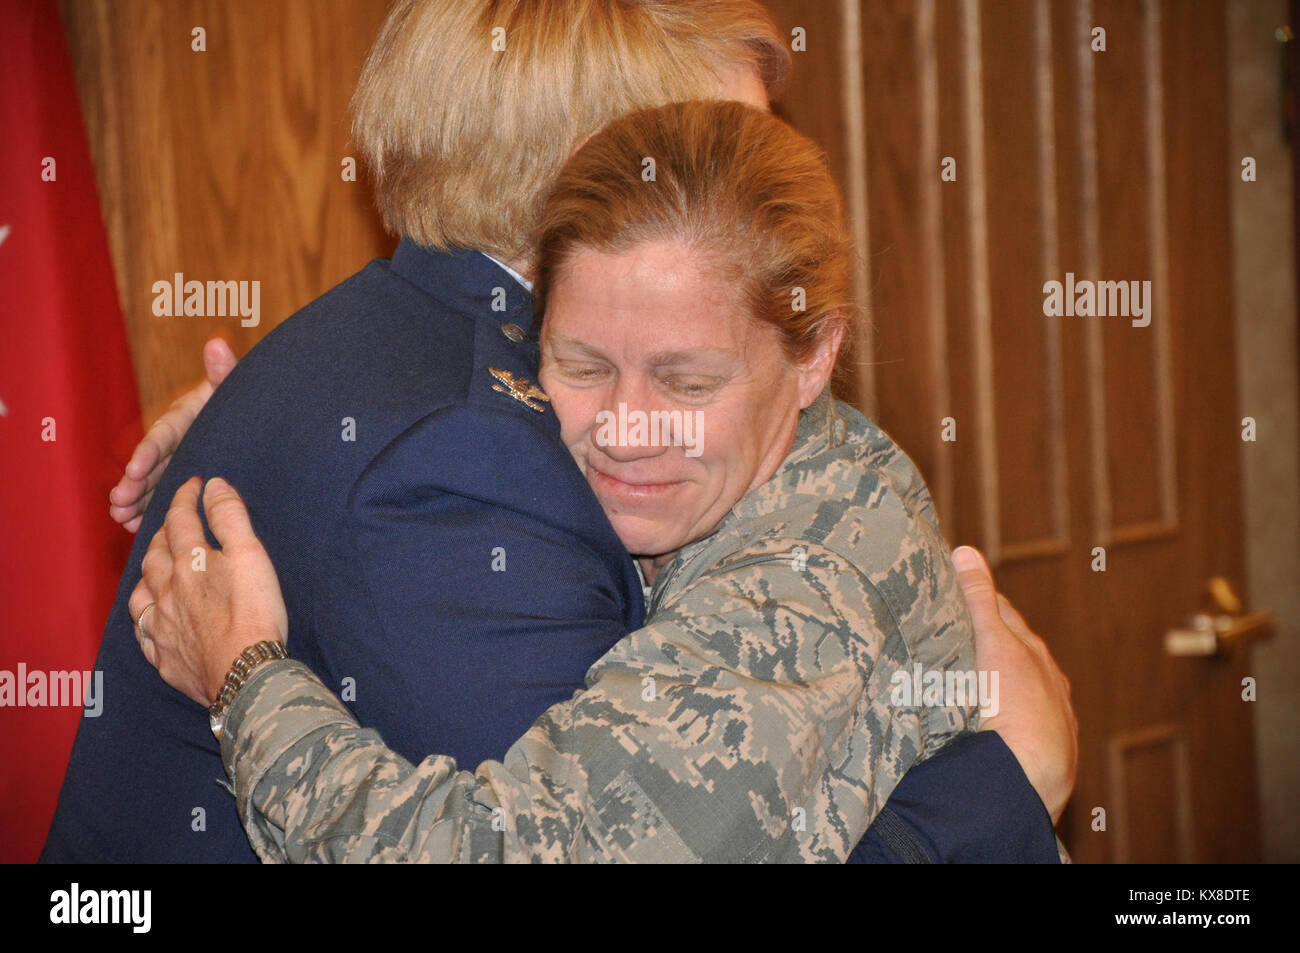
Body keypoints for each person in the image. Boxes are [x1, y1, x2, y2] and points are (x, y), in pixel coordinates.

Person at [46, 0, 1074, 864]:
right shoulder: (466, 449)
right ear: (586, 170)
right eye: (712, 146)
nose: (761, 180)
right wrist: (1003, 785)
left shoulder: (445, 365)